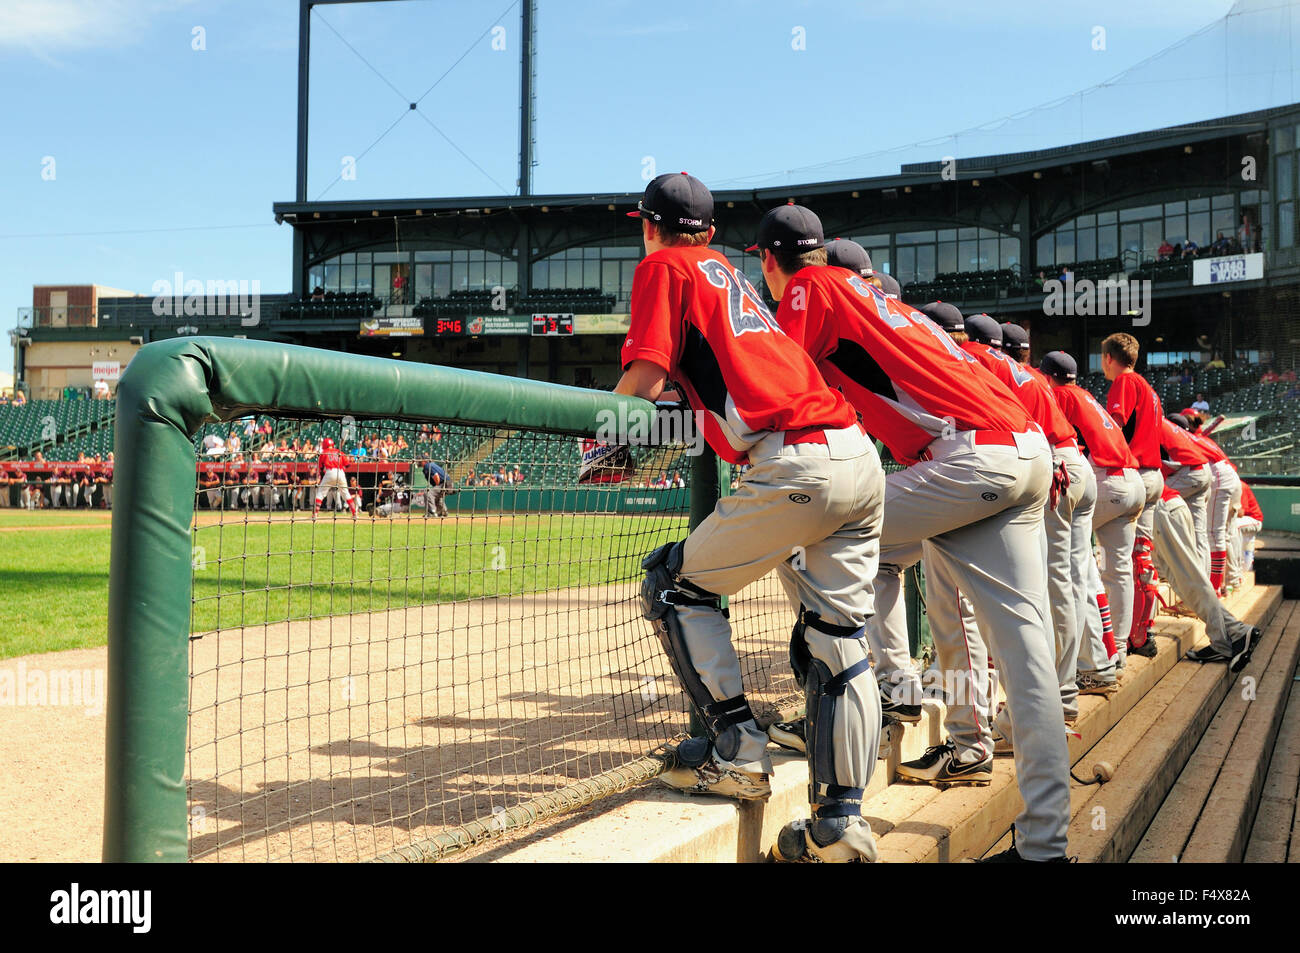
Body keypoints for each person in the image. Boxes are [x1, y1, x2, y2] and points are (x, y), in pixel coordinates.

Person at [760, 226, 1068, 861]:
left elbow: (776, 382)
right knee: (1027, 659)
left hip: (966, 462)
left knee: (808, 544)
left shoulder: (814, 284)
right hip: (1022, 453)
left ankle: (845, 735)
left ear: (770, 259)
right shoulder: (892, 308)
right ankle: (1045, 848)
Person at [617, 181, 885, 863]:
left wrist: (596, 434)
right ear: (707, 230)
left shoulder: (661, 265)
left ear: (651, 227)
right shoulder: (731, 277)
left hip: (795, 464)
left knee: (674, 585)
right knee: (838, 640)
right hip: (857, 457)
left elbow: (645, 377)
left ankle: (738, 751)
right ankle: (840, 824)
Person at [1040, 351, 1145, 695]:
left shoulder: (1059, 395)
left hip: (1104, 479)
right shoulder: (1084, 393)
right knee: (1114, 570)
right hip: (1132, 480)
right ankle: (1115, 653)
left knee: (1075, 567)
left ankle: (1093, 662)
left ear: (1048, 376)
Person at [1102, 333, 1166, 663]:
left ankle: (1124, 640)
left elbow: (1114, 428)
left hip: (1135, 474)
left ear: (1109, 358)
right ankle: (1143, 634)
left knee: (1121, 562)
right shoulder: (1149, 387)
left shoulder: (1124, 382)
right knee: (1141, 559)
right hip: (1154, 476)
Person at [313, 438, 356, 517]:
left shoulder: (323, 452)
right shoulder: (339, 452)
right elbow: (348, 465)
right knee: (346, 494)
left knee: (320, 493)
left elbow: (321, 468)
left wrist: (324, 474)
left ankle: (315, 514)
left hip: (330, 472)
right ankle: (354, 513)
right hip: (341, 472)